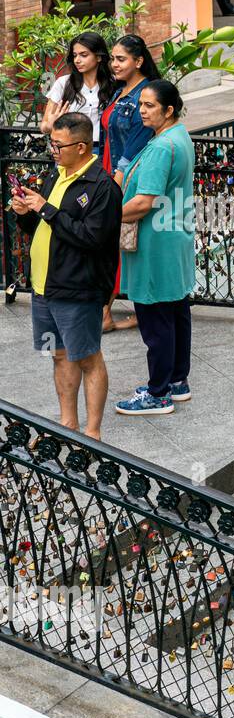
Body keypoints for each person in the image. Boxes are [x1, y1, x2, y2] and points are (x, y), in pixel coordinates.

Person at [11, 112, 122, 440]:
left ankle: (93, 433)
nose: (53, 150)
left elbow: (91, 238)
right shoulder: (55, 175)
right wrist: (26, 215)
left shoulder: (102, 188)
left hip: (79, 287)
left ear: (83, 146)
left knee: (87, 357)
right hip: (45, 284)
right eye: (52, 143)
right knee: (58, 354)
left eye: (58, 145)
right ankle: (67, 424)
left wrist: (46, 208)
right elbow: (45, 228)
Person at [114, 80, 196, 417]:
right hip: (173, 235)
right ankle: (177, 382)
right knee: (176, 310)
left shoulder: (163, 146)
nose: (142, 111)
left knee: (155, 316)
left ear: (168, 109)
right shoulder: (179, 136)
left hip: (155, 241)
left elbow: (144, 202)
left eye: (149, 106)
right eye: (142, 105)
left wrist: (103, 217)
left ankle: (158, 393)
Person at [101, 35, 162, 334]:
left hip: (125, 176)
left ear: (138, 61)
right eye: (113, 58)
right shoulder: (119, 92)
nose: (114, 64)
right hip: (110, 172)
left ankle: (109, 312)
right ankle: (113, 312)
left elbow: (137, 142)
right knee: (117, 244)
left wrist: (118, 178)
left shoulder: (144, 96)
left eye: (120, 59)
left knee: (121, 243)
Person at [40, 34, 114, 154]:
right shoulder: (64, 83)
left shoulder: (113, 84)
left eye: (84, 55)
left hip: (103, 150)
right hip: (69, 150)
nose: (77, 60)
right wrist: (51, 124)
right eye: (75, 55)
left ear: (99, 57)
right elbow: (44, 127)